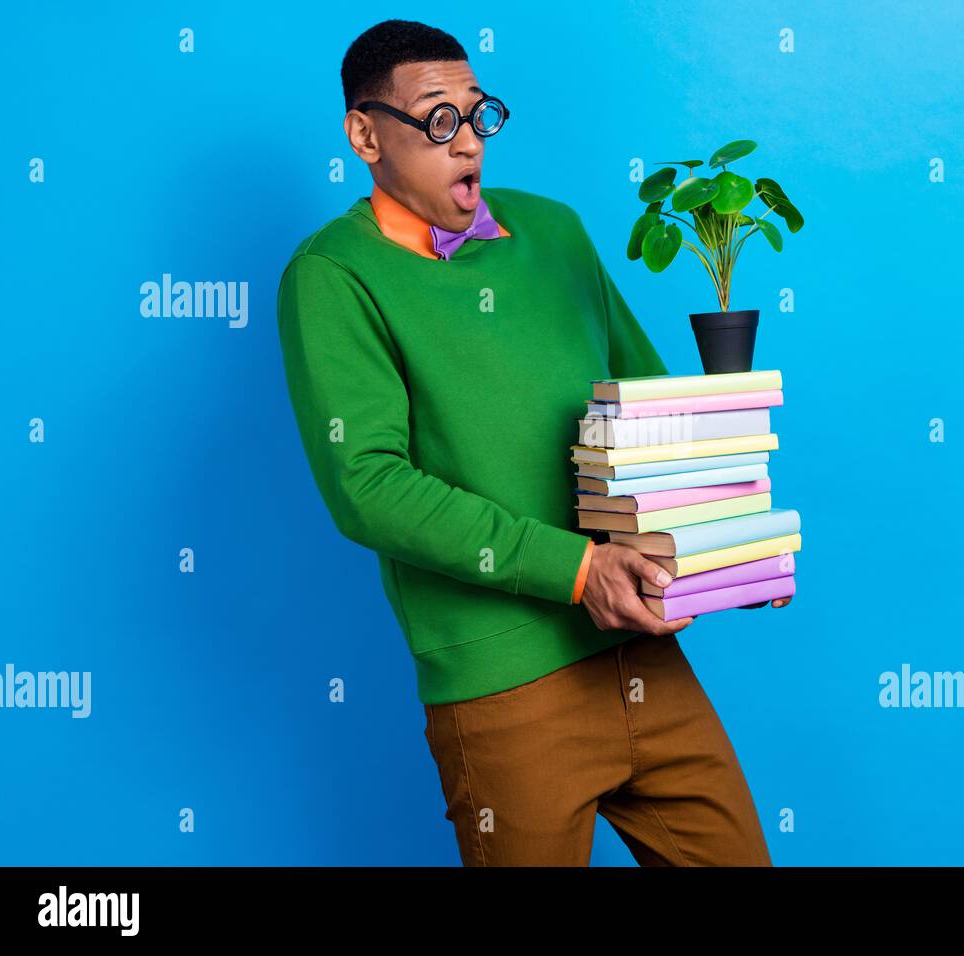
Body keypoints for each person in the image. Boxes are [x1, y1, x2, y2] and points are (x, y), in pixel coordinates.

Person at [275, 18, 784, 866]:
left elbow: (651, 407)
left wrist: (726, 546)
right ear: (365, 135)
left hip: (642, 658)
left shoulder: (556, 232)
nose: (467, 140)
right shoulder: (331, 276)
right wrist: (576, 571)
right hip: (502, 688)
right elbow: (366, 484)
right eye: (438, 120)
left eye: (478, 115)